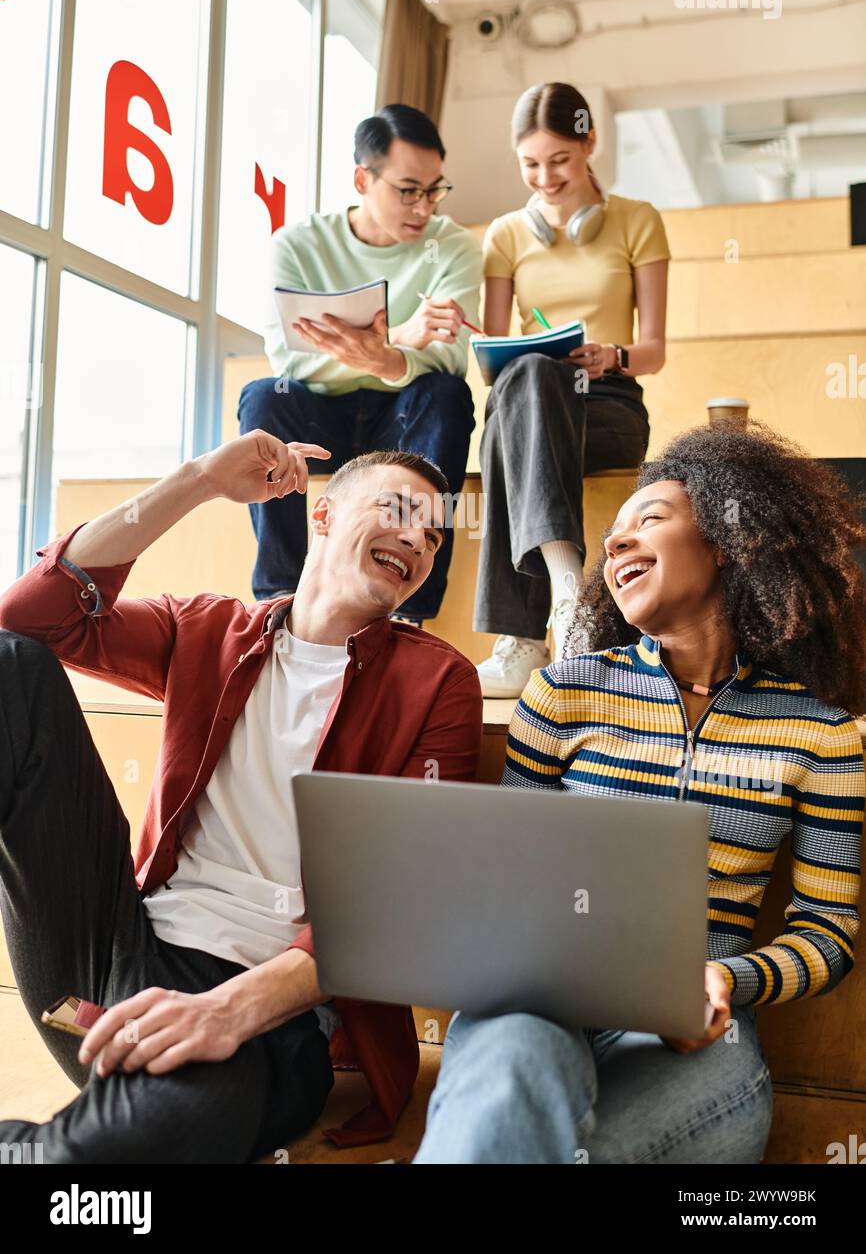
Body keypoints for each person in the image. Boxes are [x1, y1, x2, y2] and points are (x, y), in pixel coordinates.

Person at [0, 432, 482, 1163]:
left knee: (144, 1142)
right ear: (322, 517)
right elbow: (31, 620)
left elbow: (398, 896)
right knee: (9, 668)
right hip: (115, 951)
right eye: (398, 509)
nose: (420, 538)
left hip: (268, 1012)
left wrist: (227, 1013)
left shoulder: (438, 682)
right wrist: (196, 481)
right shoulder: (208, 630)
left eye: (436, 536)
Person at [415, 421, 866, 1164]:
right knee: (513, 1068)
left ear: (728, 540)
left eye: (648, 521)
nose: (616, 544)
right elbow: (504, 881)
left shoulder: (819, 733)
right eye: (612, 536)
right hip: (542, 993)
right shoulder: (560, 694)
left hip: (692, 1027)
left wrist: (726, 975)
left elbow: (828, 929)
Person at [238, 103, 482, 622]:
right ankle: (279, 595)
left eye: (435, 189)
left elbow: (449, 356)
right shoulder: (299, 245)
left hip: (403, 424)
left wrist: (380, 356)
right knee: (264, 396)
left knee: (445, 394)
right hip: (316, 421)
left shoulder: (454, 247)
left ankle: (408, 607)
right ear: (362, 179)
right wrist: (398, 343)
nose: (424, 206)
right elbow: (292, 363)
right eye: (408, 189)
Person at [475, 81, 670, 696]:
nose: (545, 178)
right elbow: (492, 351)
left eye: (559, 160)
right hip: (532, 402)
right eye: (530, 164)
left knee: (516, 419)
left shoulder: (637, 220)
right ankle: (567, 597)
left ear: (590, 143)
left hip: (608, 407)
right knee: (526, 378)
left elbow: (656, 351)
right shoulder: (505, 235)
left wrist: (614, 354)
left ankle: (524, 637)